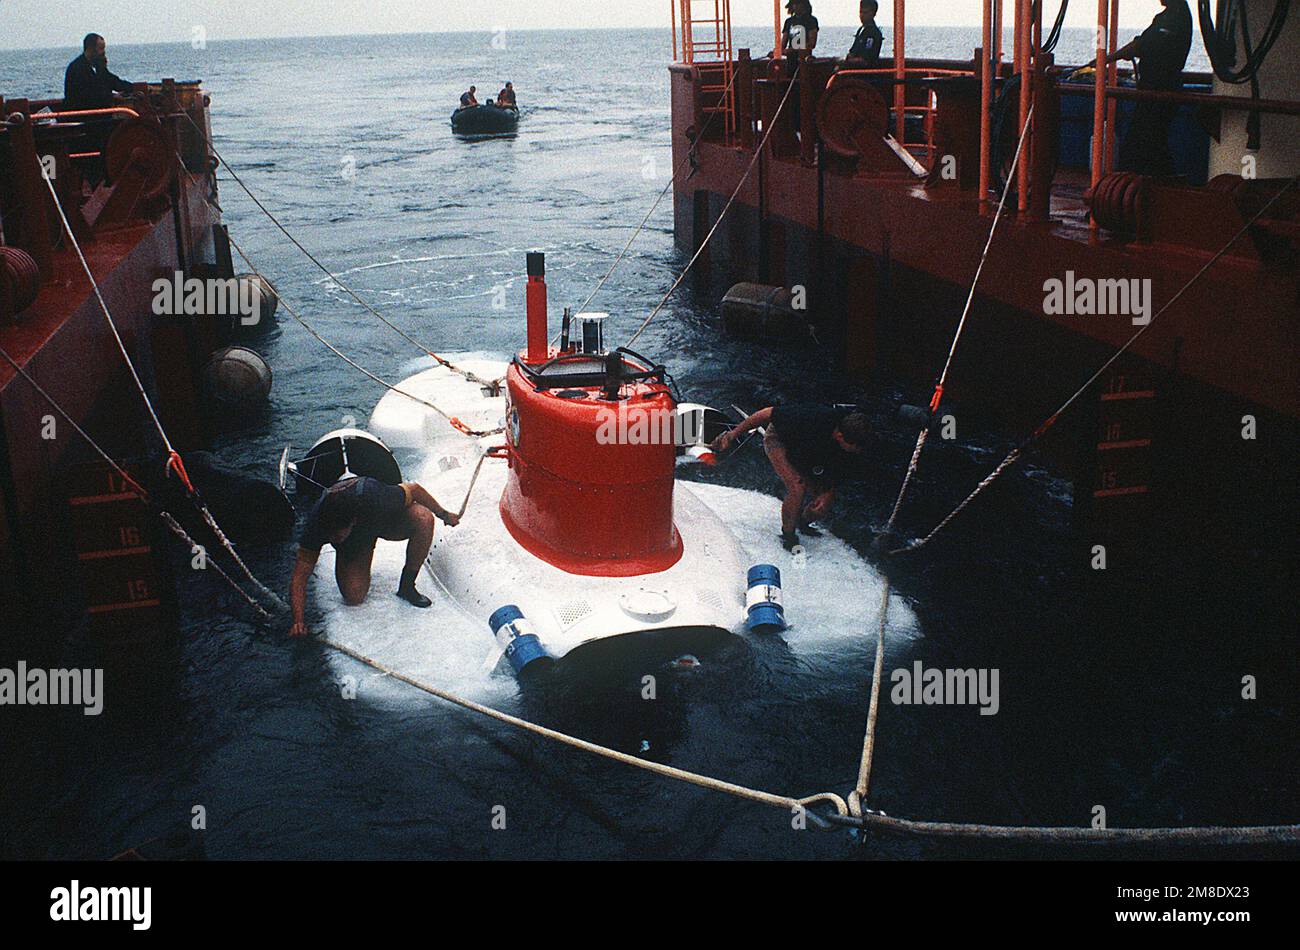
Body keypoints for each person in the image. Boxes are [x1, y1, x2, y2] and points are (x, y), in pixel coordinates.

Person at [287, 476, 460, 637]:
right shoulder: (315, 526)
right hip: (355, 543)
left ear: (352, 522)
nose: (332, 539)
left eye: (337, 537)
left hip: (379, 522)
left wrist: (444, 514)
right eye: (330, 538)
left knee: (423, 518)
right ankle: (351, 553)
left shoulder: (376, 496)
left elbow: (414, 490)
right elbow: (299, 577)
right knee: (354, 596)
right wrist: (298, 621)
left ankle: (407, 586)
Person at [712, 404, 870, 550]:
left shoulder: (853, 437)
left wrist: (828, 491)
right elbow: (767, 413)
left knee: (822, 504)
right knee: (797, 487)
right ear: (840, 436)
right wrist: (732, 435)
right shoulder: (812, 416)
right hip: (780, 440)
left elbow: (837, 470)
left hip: (810, 453)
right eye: (854, 447)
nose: (857, 450)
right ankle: (788, 534)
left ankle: (802, 522)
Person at [1109, 0, 1193, 177]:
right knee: (1154, 141)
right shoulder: (1173, 16)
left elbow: (1142, 45)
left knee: (1142, 141)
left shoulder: (1173, 18)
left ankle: (1130, 186)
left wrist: (1107, 59)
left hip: (1159, 91)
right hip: (1156, 89)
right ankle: (1164, 184)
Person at [63, 33, 132, 112]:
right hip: (83, 116)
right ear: (90, 49)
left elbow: (114, 82)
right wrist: (111, 97)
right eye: (101, 48)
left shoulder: (98, 67)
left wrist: (135, 87)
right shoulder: (76, 68)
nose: (104, 52)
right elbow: (86, 96)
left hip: (99, 113)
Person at [845, 0, 884, 69]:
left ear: (873, 14)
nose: (862, 15)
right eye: (861, 12)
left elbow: (866, 59)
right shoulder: (861, 30)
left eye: (865, 13)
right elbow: (853, 51)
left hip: (866, 73)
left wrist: (849, 61)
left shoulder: (873, 33)